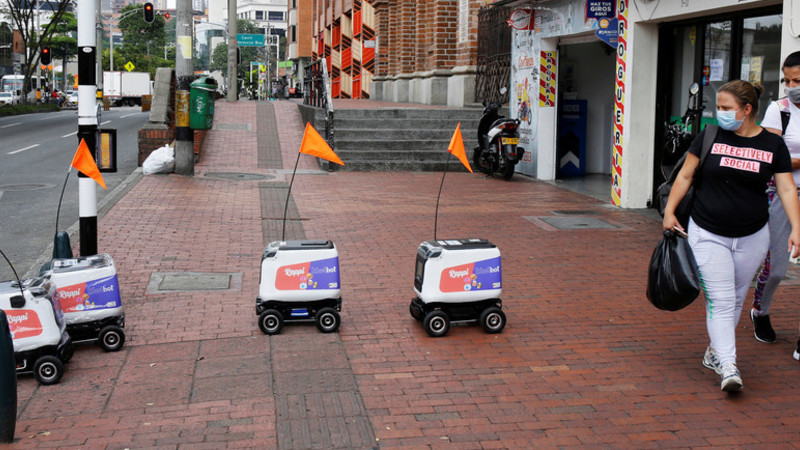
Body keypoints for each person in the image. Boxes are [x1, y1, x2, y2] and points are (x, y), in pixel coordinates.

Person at [663, 80, 800, 392]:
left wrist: (796, 227)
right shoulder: (709, 135)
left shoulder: (771, 145)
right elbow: (685, 175)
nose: (719, 113)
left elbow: (786, 187)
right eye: (719, 107)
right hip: (708, 231)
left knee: (736, 297)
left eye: (726, 108)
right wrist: (670, 211)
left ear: (747, 110)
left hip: (754, 234)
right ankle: (728, 365)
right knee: (722, 300)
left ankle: (714, 352)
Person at [752, 51, 800, 347]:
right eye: (788, 80)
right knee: (777, 266)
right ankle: (760, 310)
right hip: (783, 194)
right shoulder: (778, 110)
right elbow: (773, 156)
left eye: (798, 79)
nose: (792, 85)